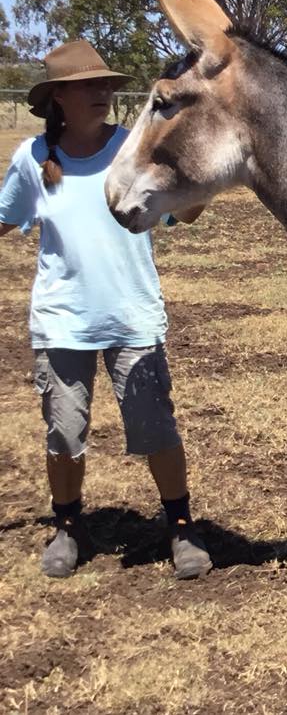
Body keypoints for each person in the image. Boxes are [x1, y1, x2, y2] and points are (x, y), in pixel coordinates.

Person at [0, 40, 211, 580]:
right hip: (61, 321)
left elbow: (183, 216)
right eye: (88, 86)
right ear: (59, 100)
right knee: (63, 434)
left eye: (105, 85)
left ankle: (181, 526)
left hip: (131, 316)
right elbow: (5, 217)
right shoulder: (31, 160)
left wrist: (202, 179)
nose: (103, 93)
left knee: (156, 430)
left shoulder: (134, 149)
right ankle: (68, 526)